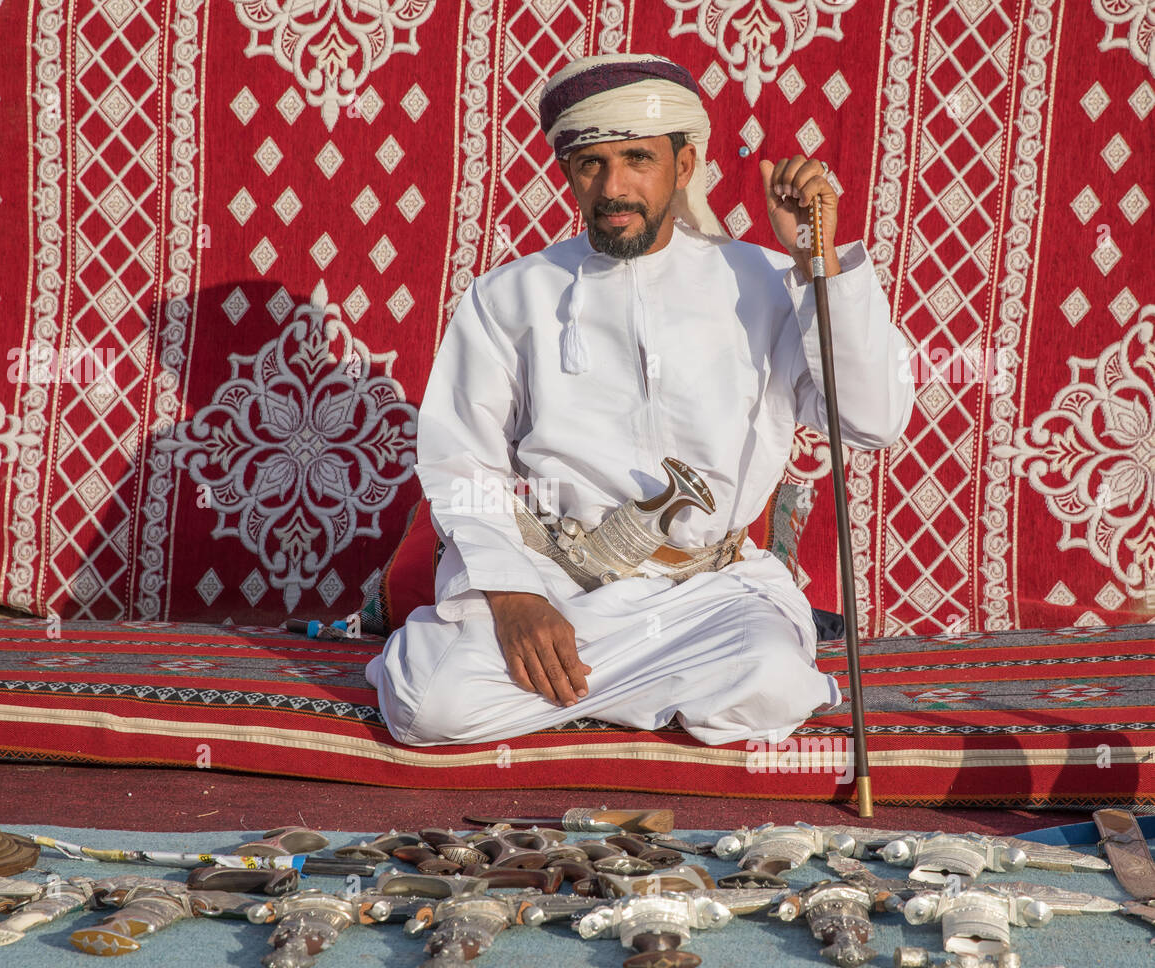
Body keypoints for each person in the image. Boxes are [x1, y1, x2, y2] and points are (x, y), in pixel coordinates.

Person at [365, 53, 914, 748]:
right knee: (427, 706)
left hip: (706, 596)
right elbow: (461, 465)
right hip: (555, 583)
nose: (613, 187)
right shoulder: (509, 295)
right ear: (566, 172)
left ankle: (577, 696)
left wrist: (818, 261)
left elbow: (870, 419)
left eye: (637, 159)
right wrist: (511, 596)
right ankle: (657, 695)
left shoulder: (771, 281)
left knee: (772, 678)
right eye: (590, 164)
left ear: (684, 167)